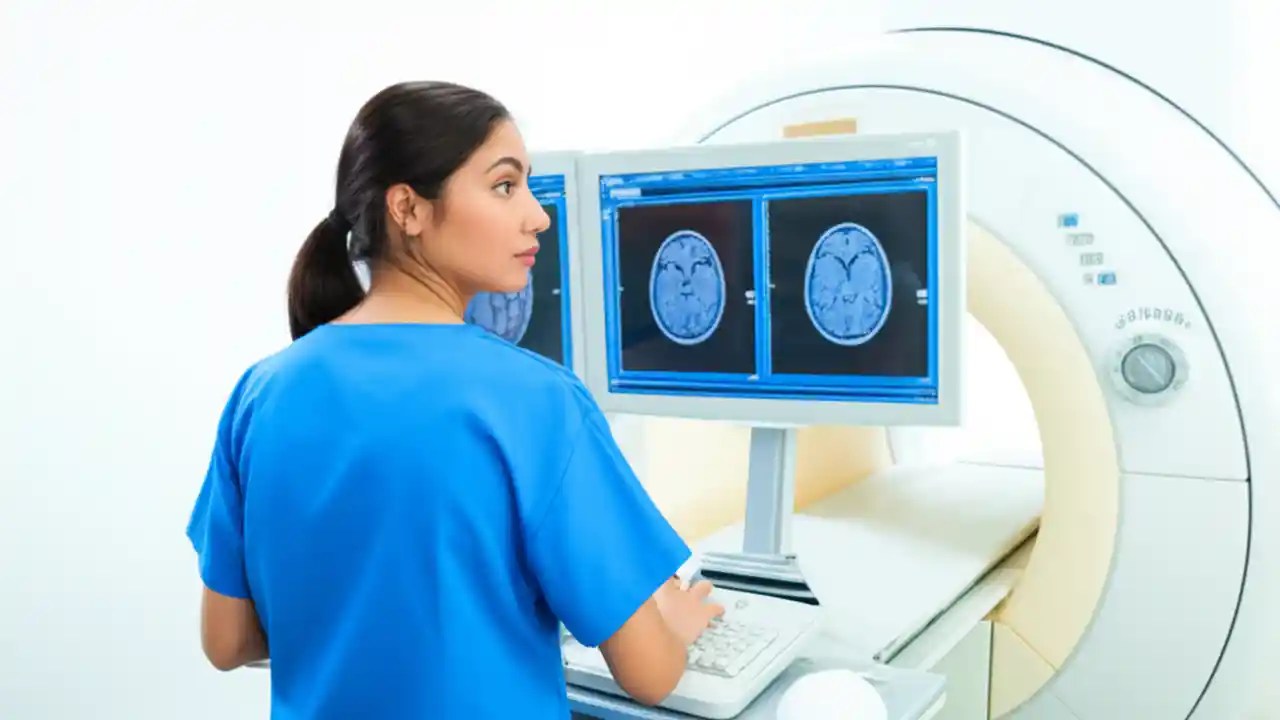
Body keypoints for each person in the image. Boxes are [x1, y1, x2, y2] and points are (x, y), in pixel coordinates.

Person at [185, 80, 724, 719]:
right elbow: (651, 675)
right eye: (505, 186)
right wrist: (673, 628)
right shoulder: (537, 401)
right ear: (408, 209)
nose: (538, 216)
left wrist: (356, 628)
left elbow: (227, 642)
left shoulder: (261, 393)